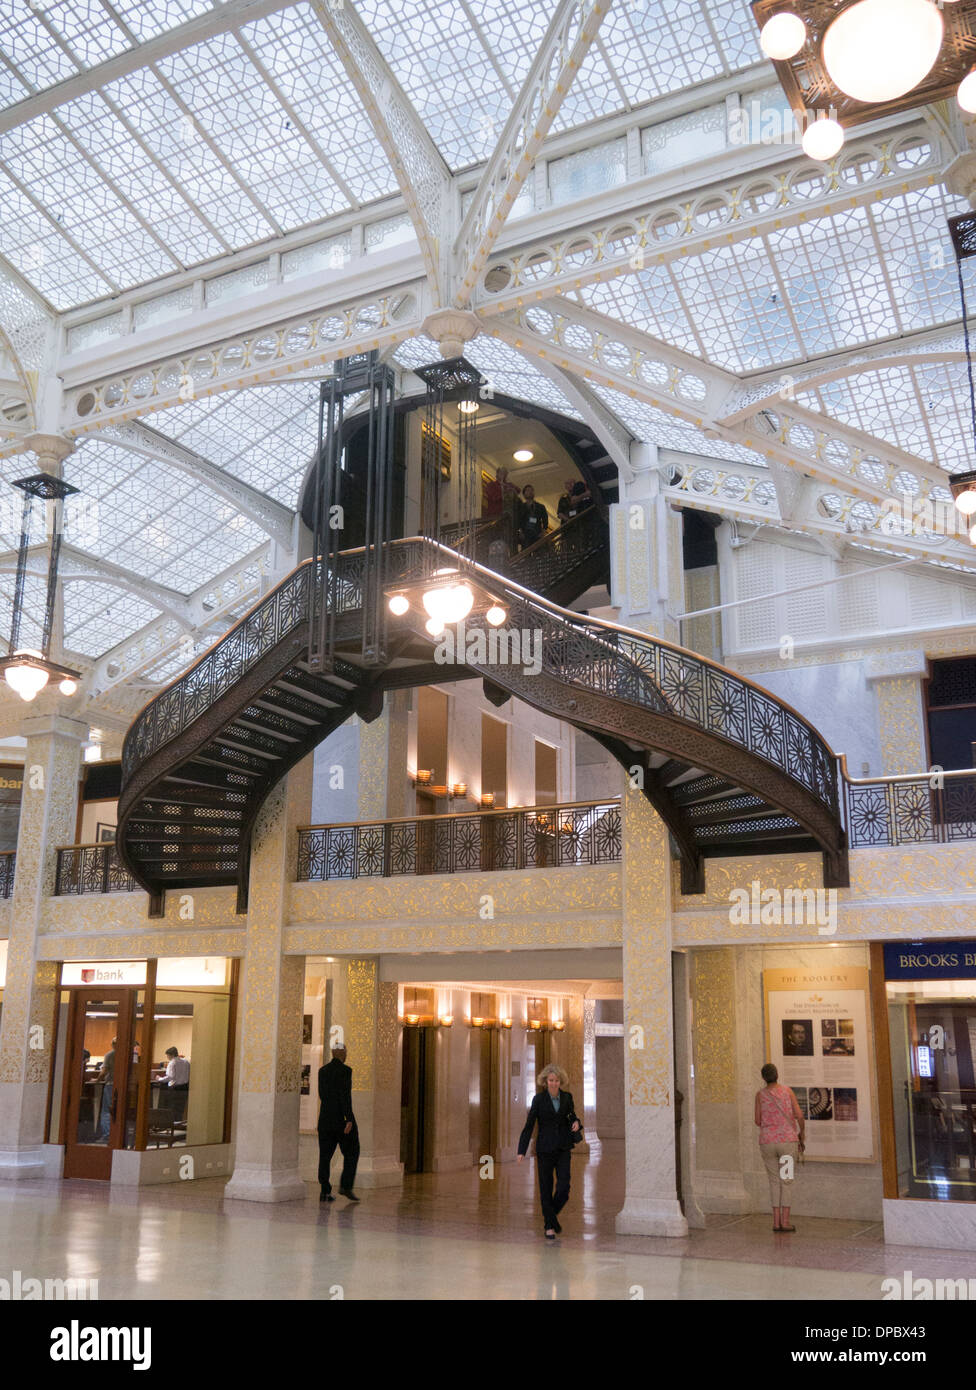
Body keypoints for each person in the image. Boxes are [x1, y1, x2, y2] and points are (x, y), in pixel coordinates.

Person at [517, 1063, 581, 1239]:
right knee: (545, 1188)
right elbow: (529, 1125)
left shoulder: (567, 1098)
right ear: (545, 1081)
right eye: (551, 1080)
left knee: (563, 1188)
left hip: (563, 1148)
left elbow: (572, 1117)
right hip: (544, 1149)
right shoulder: (538, 1100)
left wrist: (577, 1123)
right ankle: (549, 1226)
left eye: (556, 1080)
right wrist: (521, 1150)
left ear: (561, 1082)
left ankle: (550, 1218)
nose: (553, 1083)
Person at [754, 1062, 805, 1233]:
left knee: (774, 1181)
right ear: (777, 1075)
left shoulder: (760, 1095)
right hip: (787, 1142)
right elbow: (799, 1115)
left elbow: (757, 1120)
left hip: (767, 1142)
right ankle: (785, 1221)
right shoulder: (787, 1091)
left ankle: (775, 1223)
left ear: (763, 1077)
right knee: (787, 1180)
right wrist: (801, 1133)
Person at [318, 1044, 360, 1202]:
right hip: (341, 1121)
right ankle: (346, 1186)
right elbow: (345, 1095)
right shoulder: (346, 1071)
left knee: (325, 1156)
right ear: (343, 1054)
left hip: (325, 1120)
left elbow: (322, 1095)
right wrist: (348, 1118)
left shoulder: (322, 1071)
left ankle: (325, 1191)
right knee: (352, 1151)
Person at [95, 1037, 116, 1140]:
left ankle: (107, 1135)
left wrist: (97, 1080)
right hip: (123, 1086)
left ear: (112, 1044)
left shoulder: (109, 1055)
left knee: (106, 1111)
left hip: (110, 1085)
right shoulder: (127, 1055)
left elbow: (104, 1071)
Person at [517, 484, 549, 550]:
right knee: (526, 552)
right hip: (525, 534)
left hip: (537, 533)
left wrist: (543, 532)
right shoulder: (521, 507)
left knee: (538, 552)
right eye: (528, 490)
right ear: (524, 494)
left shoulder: (540, 507)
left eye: (532, 490)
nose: (530, 492)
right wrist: (520, 532)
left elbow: (545, 520)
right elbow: (518, 520)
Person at [161, 1046, 190, 1117]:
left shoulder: (172, 1063)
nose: (167, 1057)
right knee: (181, 1108)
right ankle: (178, 1123)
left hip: (175, 1088)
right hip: (185, 1087)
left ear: (171, 1055)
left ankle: (171, 1124)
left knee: (172, 1108)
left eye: (167, 1055)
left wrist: (159, 1079)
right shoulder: (186, 1062)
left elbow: (170, 1077)